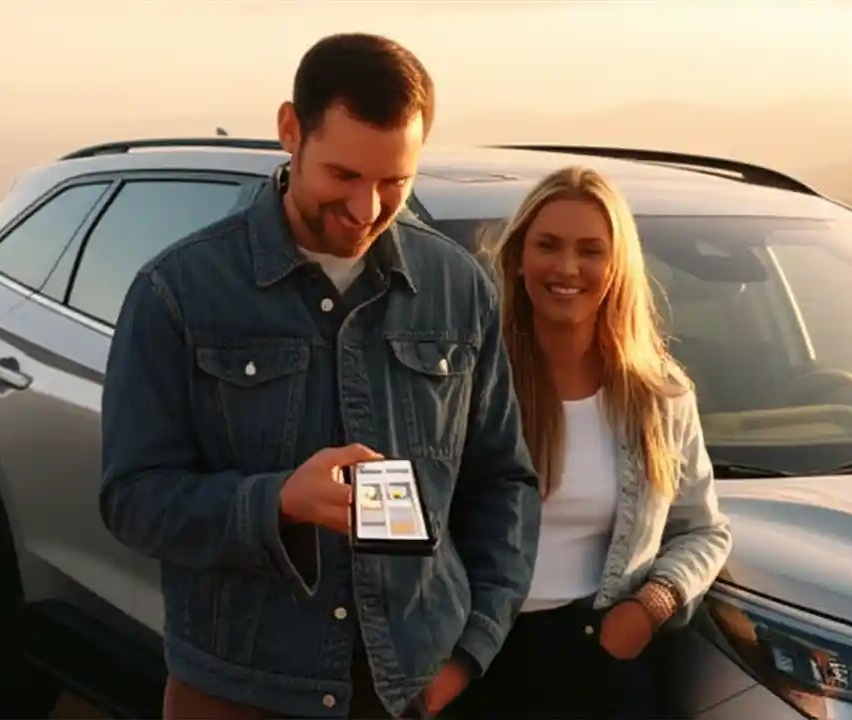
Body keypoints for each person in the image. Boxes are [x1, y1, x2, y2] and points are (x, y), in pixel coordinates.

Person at [98, 33, 542, 719]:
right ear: (289, 131)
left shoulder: (459, 287)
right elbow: (132, 498)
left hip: (413, 690)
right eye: (344, 175)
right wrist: (277, 502)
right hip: (238, 692)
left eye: (394, 183)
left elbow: (503, 483)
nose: (367, 208)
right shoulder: (177, 291)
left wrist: (469, 652)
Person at [445, 166, 734, 719]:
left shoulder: (659, 396)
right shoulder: (466, 384)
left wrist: (653, 604)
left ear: (617, 264)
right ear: (518, 257)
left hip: (602, 666)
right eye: (548, 245)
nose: (567, 267)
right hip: (474, 662)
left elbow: (704, 530)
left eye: (590, 250)